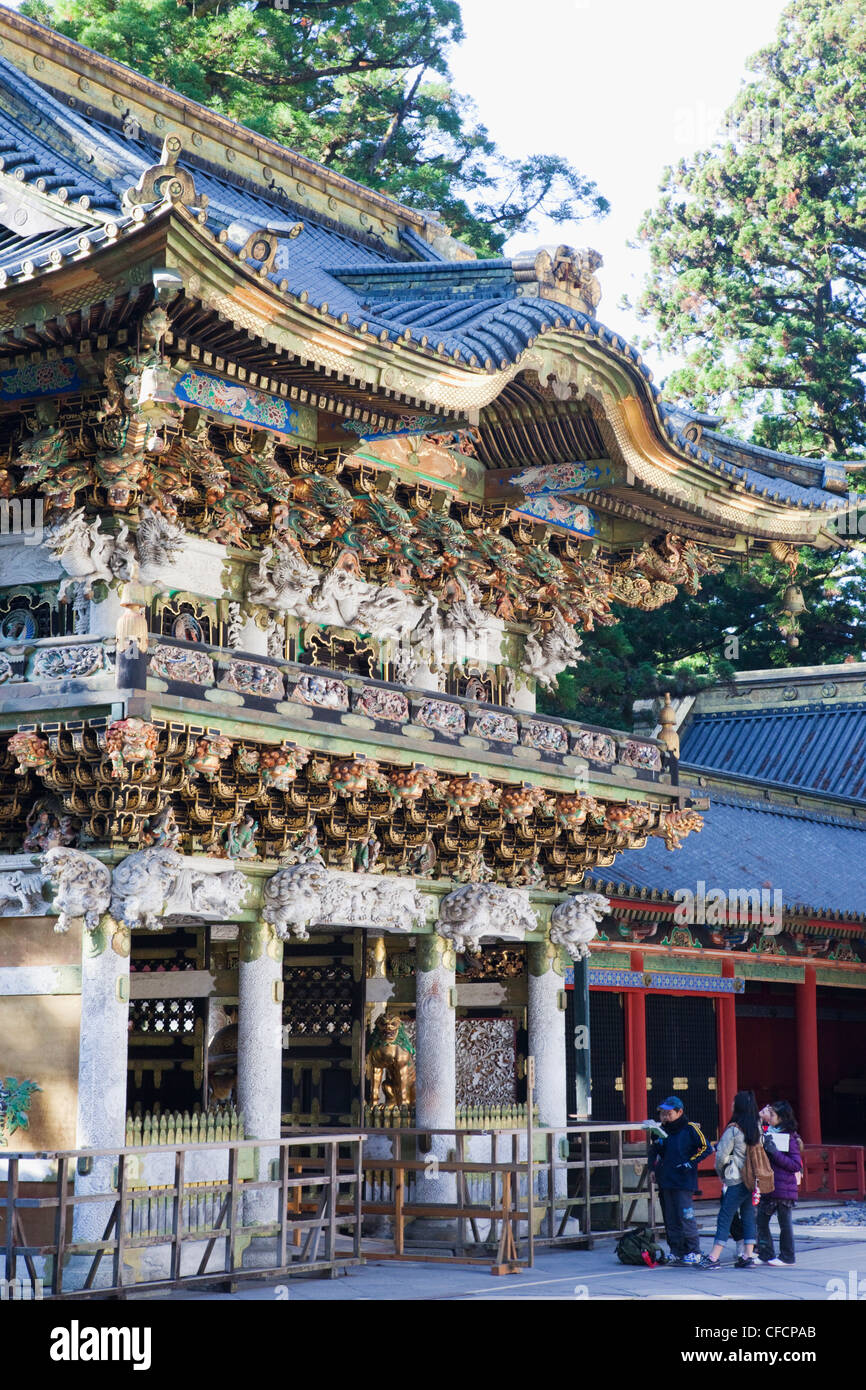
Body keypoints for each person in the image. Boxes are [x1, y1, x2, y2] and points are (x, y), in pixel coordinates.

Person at [700, 1090, 761, 1269]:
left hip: (736, 1178)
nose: (732, 1105)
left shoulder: (734, 1129)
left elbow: (721, 1156)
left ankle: (713, 1257)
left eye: (734, 1102)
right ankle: (748, 1256)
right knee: (748, 1215)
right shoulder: (757, 1128)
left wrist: (722, 1172)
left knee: (725, 1215)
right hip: (752, 1178)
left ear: (739, 1106)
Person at [648, 1096, 709, 1266]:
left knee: (686, 1216)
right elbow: (654, 1151)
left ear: (679, 1112)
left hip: (683, 1180)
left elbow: (706, 1148)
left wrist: (689, 1163)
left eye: (669, 1114)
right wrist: (652, 1169)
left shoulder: (690, 1129)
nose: (665, 1117)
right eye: (662, 1114)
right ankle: (676, 1250)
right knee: (670, 1217)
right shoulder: (661, 1130)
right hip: (665, 1179)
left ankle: (694, 1251)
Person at [756, 1101, 802, 1266]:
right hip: (769, 1185)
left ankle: (787, 1256)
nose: (770, 1117)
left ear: (782, 1118)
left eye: (773, 1115)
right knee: (761, 1221)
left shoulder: (789, 1137)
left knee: (785, 1224)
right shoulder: (767, 1132)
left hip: (784, 1188)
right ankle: (766, 1254)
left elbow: (795, 1165)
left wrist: (774, 1152)